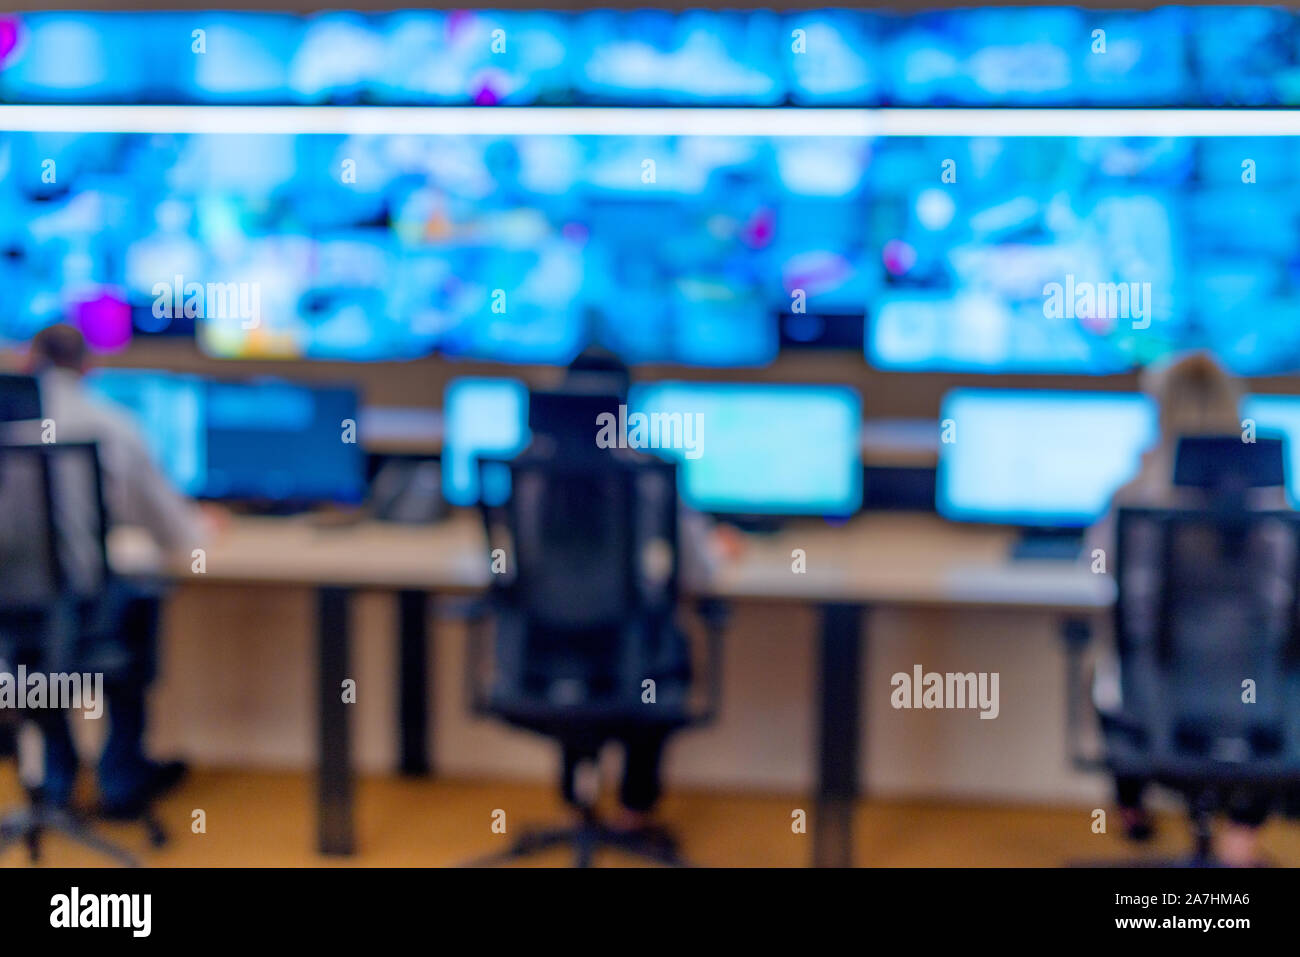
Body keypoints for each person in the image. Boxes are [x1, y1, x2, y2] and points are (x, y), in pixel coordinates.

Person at [1087, 351, 1283, 866]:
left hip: (1155, 704)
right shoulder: (1274, 509)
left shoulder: (1135, 502)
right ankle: (1241, 837)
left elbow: (1097, 567)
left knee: (1104, 669)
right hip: (1263, 712)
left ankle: (1134, 808)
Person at [542, 347, 741, 833]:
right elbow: (697, 575)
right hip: (635, 660)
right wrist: (717, 547)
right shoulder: (649, 475)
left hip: (544, 660)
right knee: (653, 645)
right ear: (627, 406)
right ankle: (634, 811)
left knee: (577, 642)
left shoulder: (527, 473)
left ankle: (578, 798)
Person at [21, 323, 208, 818]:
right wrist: (203, 527)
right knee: (139, 600)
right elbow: (175, 532)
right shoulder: (113, 424)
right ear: (88, 366)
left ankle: (56, 780)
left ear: (27, 361)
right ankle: (119, 780)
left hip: (13, 620)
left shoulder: (6, 424)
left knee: (32, 655)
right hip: (87, 615)